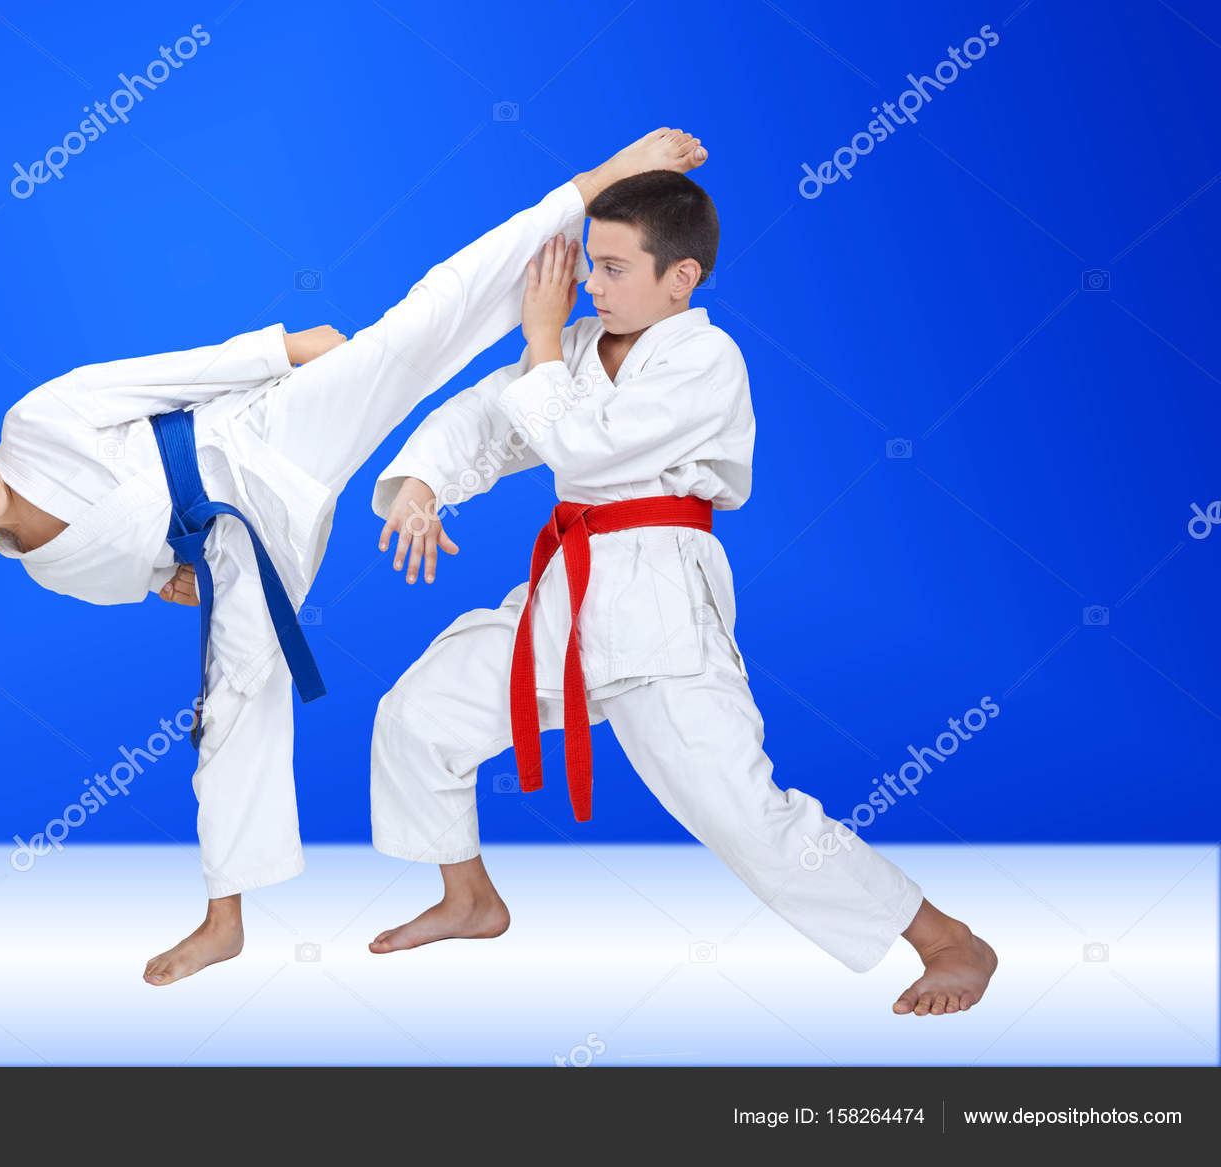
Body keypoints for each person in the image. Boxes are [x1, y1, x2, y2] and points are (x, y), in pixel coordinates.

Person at [0, 128, 709, 986]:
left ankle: (595, 180)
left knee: (422, 327)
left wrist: (285, 350)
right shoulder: (46, 567)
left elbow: (160, 376)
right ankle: (237, 919)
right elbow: (140, 567)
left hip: (258, 441)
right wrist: (170, 581)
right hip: (238, 551)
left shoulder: (36, 420)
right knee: (229, 710)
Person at [368, 169, 998, 1016]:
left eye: (614, 268)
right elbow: (488, 417)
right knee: (420, 710)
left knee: (742, 811)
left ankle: (944, 937)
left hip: (659, 600)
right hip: (565, 591)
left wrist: (545, 341)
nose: (590, 283)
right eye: (588, 264)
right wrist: (420, 483)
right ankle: (470, 897)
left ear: (681, 277)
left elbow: (591, 451)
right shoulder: (579, 346)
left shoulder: (705, 357)